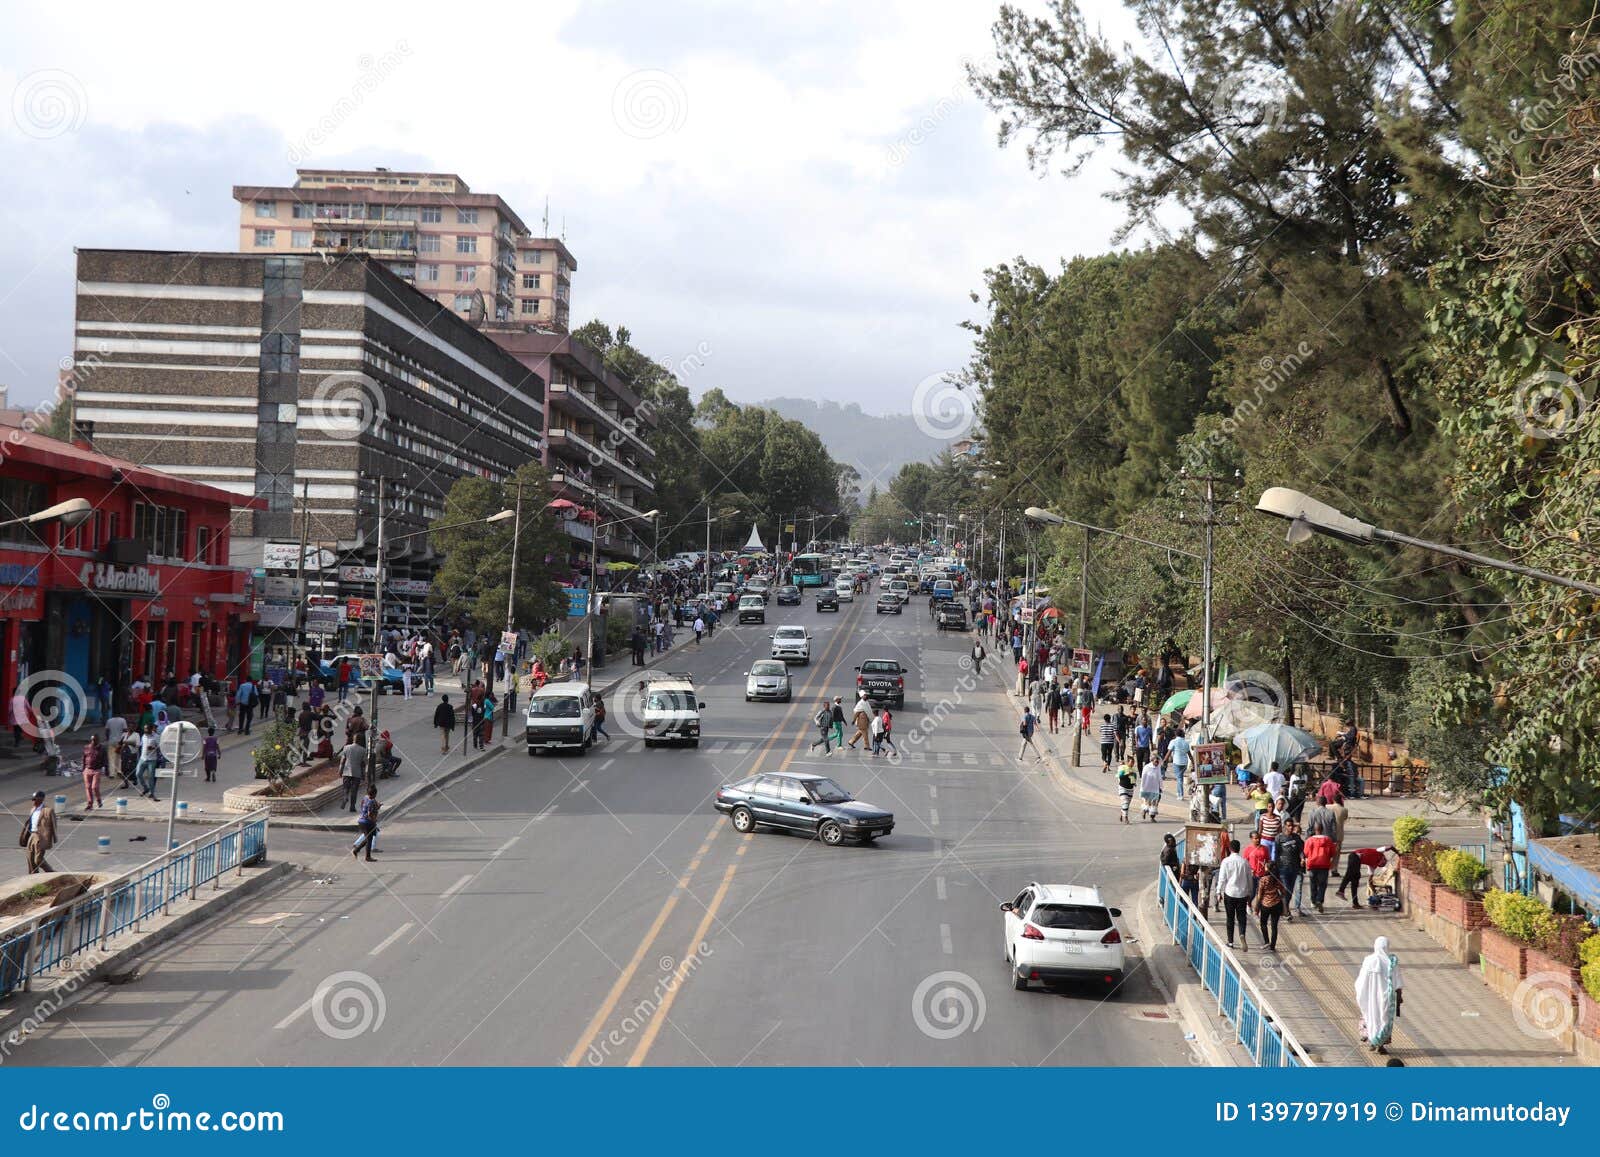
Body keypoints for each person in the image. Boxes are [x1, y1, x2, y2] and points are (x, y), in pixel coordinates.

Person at [1354, 936, 1404, 1054]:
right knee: (1384, 1019)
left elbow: (1360, 981)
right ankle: (1380, 1045)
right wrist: (1399, 996)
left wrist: (1362, 994)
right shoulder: (1391, 962)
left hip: (1369, 997)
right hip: (1385, 998)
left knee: (1371, 1017)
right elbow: (1397, 981)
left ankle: (1373, 1040)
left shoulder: (1368, 960)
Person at [1217, 839, 1254, 951]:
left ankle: (1231, 942)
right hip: (1242, 894)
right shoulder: (1245, 862)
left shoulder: (1226, 861)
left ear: (1230, 849)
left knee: (1230, 918)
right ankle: (1242, 933)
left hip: (1230, 893)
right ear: (1239, 849)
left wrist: (1218, 892)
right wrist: (1249, 893)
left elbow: (1222, 879)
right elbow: (1249, 880)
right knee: (1242, 917)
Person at [1276, 819, 1306, 920]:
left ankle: (1284, 908)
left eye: (1291, 826)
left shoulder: (1296, 838)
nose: (1290, 828)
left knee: (1290, 891)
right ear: (1284, 826)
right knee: (1285, 889)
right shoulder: (1279, 838)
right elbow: (1275, 853)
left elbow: (1301, 851)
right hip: (1283, 868)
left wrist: (1302, 858)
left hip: (1294, 868)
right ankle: (1286, 911)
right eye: (1288, 826)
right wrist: (1275, 867)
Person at [1304, 827, 1337, 912]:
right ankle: (1319, 900)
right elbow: (1333, 853)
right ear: (1322, 830)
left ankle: (1313, 901)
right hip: (1324, 864)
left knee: (1313, 883)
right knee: (1323, 884)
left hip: (1312, 864)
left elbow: (1306, 853)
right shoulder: (1328, 840)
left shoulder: (1309, 840)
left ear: (1315, 830)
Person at [1254, 868, 1287, 952]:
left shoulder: (1263, 879)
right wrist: (1279, 897)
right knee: (1274, 926)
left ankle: (1266, 942)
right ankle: (1272, 947)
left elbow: (1260, 895)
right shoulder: (1277, 879)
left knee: (1263, 923)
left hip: (1265, 905)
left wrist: (1257, 908)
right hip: (1276, 904)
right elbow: (1283, 892)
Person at [23, 790, 56, 874]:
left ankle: (51, 872)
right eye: (33, 799)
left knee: (38, 859)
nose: (33, 801)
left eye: (35, 799)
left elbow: (54, 825)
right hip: (32, 835)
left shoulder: (48, 810)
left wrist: (52, 838)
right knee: (30, 857)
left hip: (42, 836)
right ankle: (33, 875)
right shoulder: (33, 809)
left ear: (41, 799)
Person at [352, 786, 380, 862]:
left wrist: (377, 807)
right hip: (367, 822)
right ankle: (367, 857)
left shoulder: (365, 797)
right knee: (369, 839)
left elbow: (362, 805)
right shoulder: (371, 801)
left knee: (368, 838)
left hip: (361, 821)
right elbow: (370, 813)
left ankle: (356, 850)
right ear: (374, 794)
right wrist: (374, 821)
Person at [341, 736, 367, 812]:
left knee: (346, 787)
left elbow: (342, 760)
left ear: (353, 739)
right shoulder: (363, 750)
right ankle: (352, 806)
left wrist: (340, 770)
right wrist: (363, 775)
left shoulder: (346, 747)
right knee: (354, 790)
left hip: (347, 771)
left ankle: (345, 796)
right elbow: (363, 764)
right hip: (357, 772)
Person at [82, 733, 107, 811]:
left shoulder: (102, 748)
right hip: (87, 769)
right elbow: (84, 758)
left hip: (97, 770)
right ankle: (90, 804)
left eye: (95, 740)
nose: (93, 741)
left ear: (98, 740)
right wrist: (83, 769)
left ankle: (99, 800)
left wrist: (106, 769)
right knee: (88, 787)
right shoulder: (87, 747)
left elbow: (105, 760)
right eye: (92, 740)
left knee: (94, 787)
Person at [136, 723, 161, 800]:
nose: (145, 730)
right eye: (144, 729)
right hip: (142, 758)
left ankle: (152, 793)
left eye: (147, 729)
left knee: (151, 777)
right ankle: (145, 788)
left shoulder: (156, 736)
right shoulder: (143, 736)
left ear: (151, 729)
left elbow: (160, 747)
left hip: (152, 760)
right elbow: (141, 745)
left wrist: (153, 748)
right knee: (138, 774)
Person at [1167, 730, 1191, 797]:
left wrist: (1164, 761)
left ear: (1176, 734)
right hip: (1185, 763)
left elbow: (1169, 752)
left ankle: (1181, 794)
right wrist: (1193, 762)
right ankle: (1178, 792)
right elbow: (1189, 754)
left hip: (1177, 762)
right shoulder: (1186, 743)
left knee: (1179, 778)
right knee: (1179, 777)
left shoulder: (1173, 741)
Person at [1139, 755, 1163, 821]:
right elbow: (1143, 777)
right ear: (1152, 761)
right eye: (1155, 761)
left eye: (1158, 762)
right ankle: (1144, 811)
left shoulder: (1158, 767)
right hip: (1147, 787)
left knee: (1154, 803)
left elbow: (1159, 777)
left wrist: (1160, 786)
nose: (1157, 763)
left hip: (1155, 788)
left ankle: (1152, 817)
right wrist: (1142, 788)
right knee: (1147, 802)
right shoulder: (1146, 767)